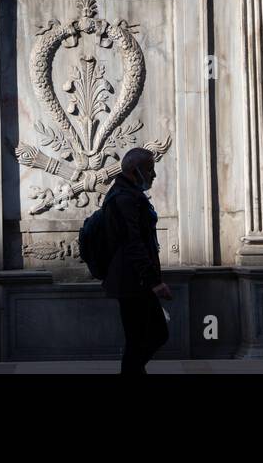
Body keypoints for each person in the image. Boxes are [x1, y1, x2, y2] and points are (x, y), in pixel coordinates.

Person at [102, 147, 172, 374]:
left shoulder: (129, 194)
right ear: (136, 170)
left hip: (136, 280)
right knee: (152, 336)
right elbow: (133, 243)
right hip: (133, 282)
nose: (154, 175)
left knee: (141, 339)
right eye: (149, 169)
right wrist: (155, 282)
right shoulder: (124, 198)